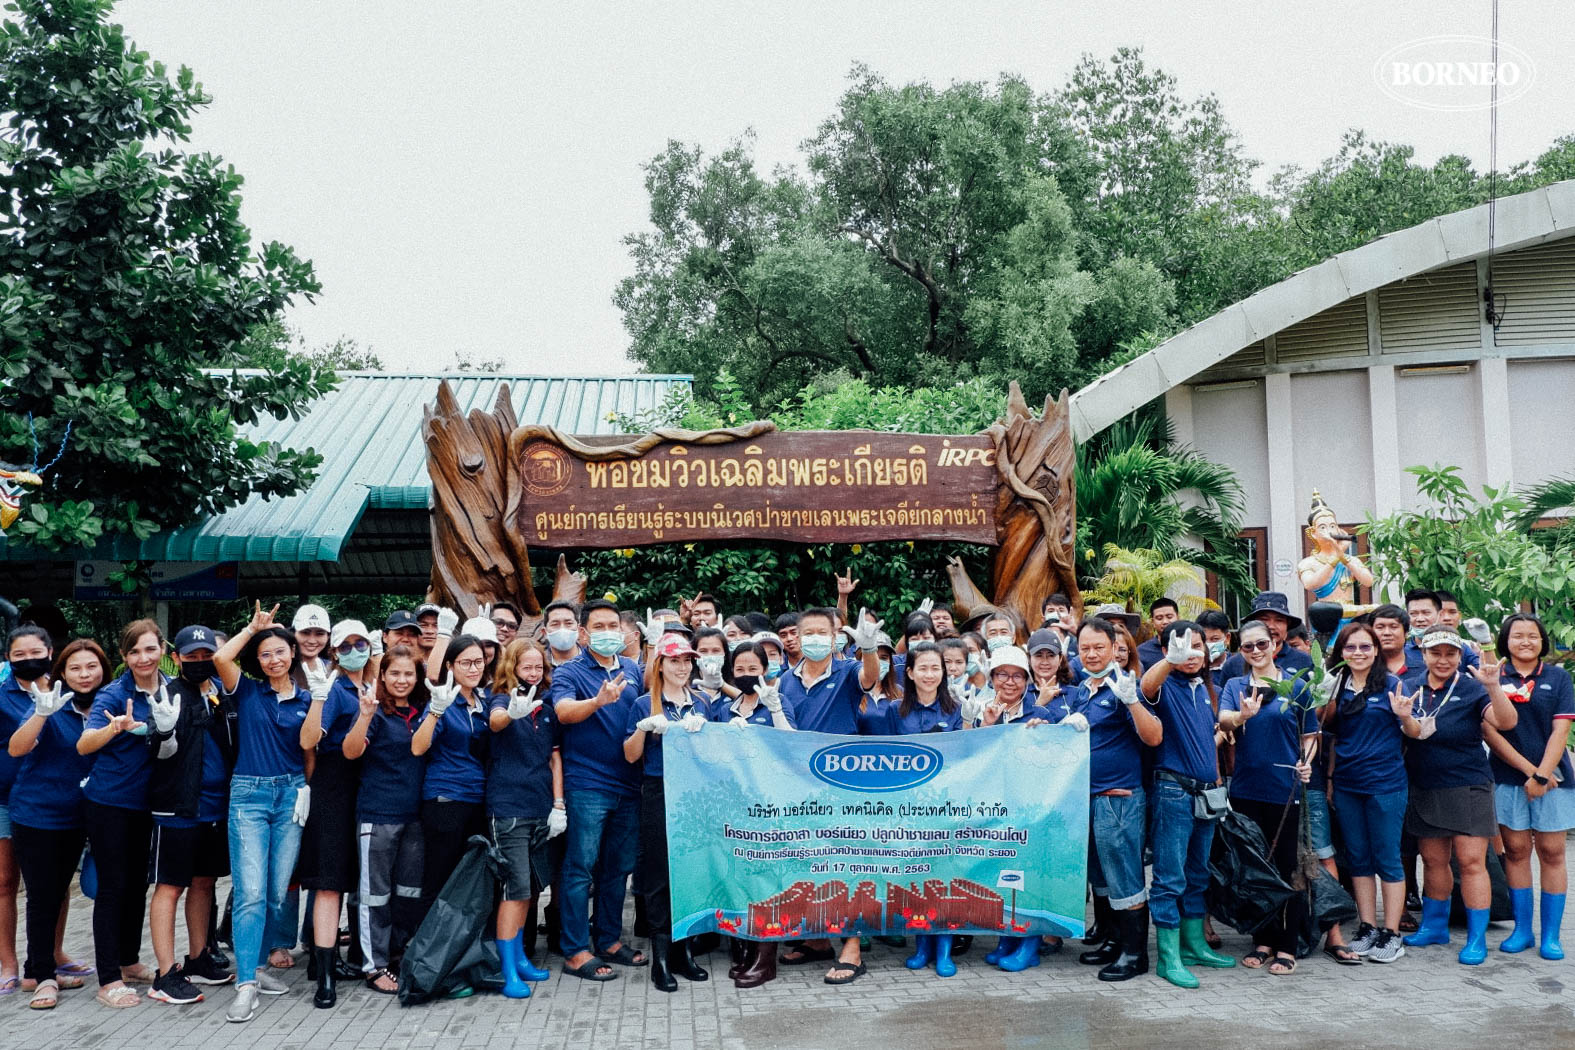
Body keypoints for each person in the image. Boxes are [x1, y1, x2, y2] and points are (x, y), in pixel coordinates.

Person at [213, 603, 311, 1024]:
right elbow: (220, 658)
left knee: (276, 891)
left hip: (290, 794)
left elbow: (310, 754)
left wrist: (306, 791)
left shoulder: (309, 698)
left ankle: (255, 968)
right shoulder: (248, 690)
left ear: (294, 653)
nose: (274, 659)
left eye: (280, 651)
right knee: (250, 892)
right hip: (249, 796)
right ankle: (246, 985)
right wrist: (253, 628)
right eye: (265, 653)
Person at [1400, 623, 1515, 964]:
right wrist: (1405, 717)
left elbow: (1506, 722)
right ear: (1424, 653)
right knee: (1434, 861)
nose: (1443, 659)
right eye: (1435, 653)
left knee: (1470, 862)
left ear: (1459, 655)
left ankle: (1477, 938)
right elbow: (1409, 731)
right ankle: (1435, 926)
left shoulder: (1471, 687)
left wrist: (1494, 686)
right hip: (1424, 783)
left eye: (1450, 653)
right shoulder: (1409, 687)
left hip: (1468, 785)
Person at [777, 606, 880, 984]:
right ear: (798, 638)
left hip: (842, 787)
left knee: (846, 865)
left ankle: (851, 947)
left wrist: (867, 649)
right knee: (810, 862)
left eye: (824, 632)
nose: (816, 639)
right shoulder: (785, 681)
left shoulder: (848, 672)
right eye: (809, 633)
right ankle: (818, 940)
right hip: (801, 787)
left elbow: (871, 677)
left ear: (836, 638)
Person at [551, 599, 645, 981]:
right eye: (600, 626)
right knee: (580, 868)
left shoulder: (633, 668)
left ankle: (608, 939)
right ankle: (575, 950)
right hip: (588, 784)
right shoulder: (569, 672)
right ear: (584, 633)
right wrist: (598, 700)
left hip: (629, 783)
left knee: (617, 868)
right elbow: (563, 712)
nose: (609, 633)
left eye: (614, 626)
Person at [1217, 620, 1318, 975]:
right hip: (1245, 789)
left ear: (1275, 645)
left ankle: (1287, 945)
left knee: (1286, 867)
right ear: (1240, 651)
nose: (1256, 652)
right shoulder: (1235, 685)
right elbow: (1224, 719)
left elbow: (1310, 735)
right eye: (1248, 647)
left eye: (1262, 644)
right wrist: (1241, 715)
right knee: (1255, 867)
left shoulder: (1296, 686)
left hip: (1284, 788)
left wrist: (1306, 765)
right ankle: (1262, 939)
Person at [145, 625, 238, 1005]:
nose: (199, 662)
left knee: (204, 882)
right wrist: (165, 734)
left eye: (205, 655)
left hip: (216, 807)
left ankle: (199, 957)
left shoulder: (220, 692)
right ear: (177, 655)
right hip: (178, 807)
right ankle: (165, 974)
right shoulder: (166, 695)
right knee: (170, 885)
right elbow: (159, 753)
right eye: (191, 656)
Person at [7, 633, 100, 1009]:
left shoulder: (105, 704)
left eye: (91, 666)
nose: (83, 674)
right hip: (37, 814)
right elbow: (16, 747)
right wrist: (42, 714)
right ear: (61, 669)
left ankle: (40, 965)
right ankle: (41, 977)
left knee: (60, 891)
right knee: (42, 896)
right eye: (75, 667)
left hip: (76, 815)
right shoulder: (50, 703)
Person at [1141, 621, 1236, 988]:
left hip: (1206, 793)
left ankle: (1194, 945)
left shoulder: (1205, 688)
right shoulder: (1165, 686)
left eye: (1198, 646)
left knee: (1197, 873)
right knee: (1169, 877)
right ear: (1165, 650)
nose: (1193, 654)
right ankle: (1168, 958)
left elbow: (1204, 742)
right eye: (1183, 648)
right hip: (1172, 792)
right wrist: (1169, 662)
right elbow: (1146, 686)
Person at [1068, 619, 1162, 982]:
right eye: (1084, 648)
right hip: (1086, 799)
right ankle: (1112, 941)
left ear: (1113, 647)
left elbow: (1153, 737)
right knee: (1101, 877)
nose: (1091, 654)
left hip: (1117, 799)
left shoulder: (1125, 686)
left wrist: (1132, 700)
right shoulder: (1081, 691)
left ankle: (1135, 955)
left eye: (1098, 647)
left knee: (1124, 876)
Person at [77, 619, 163, 1008]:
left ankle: (128, 960)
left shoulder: (170, 690)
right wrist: (115, 729)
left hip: (150, 802)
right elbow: (84, 744)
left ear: (161, 649)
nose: (142, 658)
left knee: (136, 885)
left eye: (149, 649)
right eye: (134, 652)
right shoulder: (114, 695)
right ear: (124, 657)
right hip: (110, 802)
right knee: (112, 887)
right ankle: (108, 977)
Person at [624, 635, 713, 992]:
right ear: (660, 663)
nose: (682, 667)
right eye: (674, 661)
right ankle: (660, 956)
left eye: (687, 660)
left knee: (689, 872)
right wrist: (643, 731)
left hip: (695, 792)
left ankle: (683, 951)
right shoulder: (644, 703)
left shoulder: (703, 702)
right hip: (659, 789)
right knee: (660, 873)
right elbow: (630, 756)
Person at [1483, 613, 1575, 959]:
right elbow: (1490, 733)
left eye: (1533, 636)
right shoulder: (1494, 676)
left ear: (1542, 641)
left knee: (1552, 852)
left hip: (1555, 781)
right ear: (1505, 640)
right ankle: (1522, 930)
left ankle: (1551, 936)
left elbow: (1560, 730)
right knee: (1516, 852)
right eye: (1518, 635)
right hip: (1508, 779)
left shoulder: (1557, 677)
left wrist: (1543, 774)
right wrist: (1530, 773)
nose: (1525, 641)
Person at [1321, 621, 1412, 964]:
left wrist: (1405, 717)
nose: (1358, 653)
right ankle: (1367, 927)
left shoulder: (1391, 684)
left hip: (1385, 783)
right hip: (1347, 783)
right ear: (1340, 652)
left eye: (1364, 647)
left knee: (1387, 856)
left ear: (1376, 651)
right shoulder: (1335, 686)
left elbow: (1414, 730)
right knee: (1357, 857)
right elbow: (1328, 733)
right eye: (1350, 648)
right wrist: (1330, 780)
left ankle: (1391, 934)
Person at [342, 645, 427, 994]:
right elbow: (350, 751)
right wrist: (363, 715)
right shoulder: (374, 711)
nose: (402, 680)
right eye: (394, 673)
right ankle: (372, 965)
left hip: (415, 816)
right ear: (382, 676)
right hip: (378, 815)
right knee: (374, 895)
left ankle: (398, 954)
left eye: (409, 674)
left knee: (408, 893)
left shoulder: (423, 711)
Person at [298, 620, 374, 1008]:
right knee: (328, 884)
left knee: (350, 879)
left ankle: (332, 959)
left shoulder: (374, 685)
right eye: (345, 645)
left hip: (368, 790)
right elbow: (309, 740)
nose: (354, 649)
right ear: (334, 652)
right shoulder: (334, 689)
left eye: (360, 642)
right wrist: (318, 698)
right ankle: (324, 976)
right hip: (333, 788)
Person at [486, 637, 564, 998]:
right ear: (512, 667)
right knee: (513, 890)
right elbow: (496, 721)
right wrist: (512, 712)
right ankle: (507, 970)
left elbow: (554, 757)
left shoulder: (546, 705)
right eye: (526, 666)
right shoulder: (502, 697)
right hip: (509, 809)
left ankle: (519, 959)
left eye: (538, 667)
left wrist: (559, 803)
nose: (533, 672)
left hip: (540, 807)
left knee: (530, 890)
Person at [411, 634, 490, 923]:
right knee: (440, 878)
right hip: (446, 798)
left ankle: (459, 953)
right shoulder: (443, 700)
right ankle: (429, 957)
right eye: (465, 663)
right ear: (450, 666)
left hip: (478, 799)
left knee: (469, 882)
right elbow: (418, 747)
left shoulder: (485, 701)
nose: (473, 669)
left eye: (478, 662)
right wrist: (435, 711)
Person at [1218, 592, 1312, 680]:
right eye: (1264, 619)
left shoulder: (1305, 661)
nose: (1271, 626)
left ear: (1287, 625)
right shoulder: (1233, 664)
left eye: (1279, 620)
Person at [1403, 589, 1478, 669]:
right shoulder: (1400, 650)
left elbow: (1487, 674)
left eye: (1426, 613)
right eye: (1413, 614)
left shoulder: (1460, 647)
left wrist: (1487, 644)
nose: (1420, 619)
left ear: (1438, 614)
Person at [1025, 629, 1080, 722]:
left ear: (1060, 659)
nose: (1045, 662)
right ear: (1030, 659)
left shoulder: (1076, 694)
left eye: (1051, 655)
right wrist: (1039, 705)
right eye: (1038, 655)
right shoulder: (1021, 695)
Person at [1135, 599, 1179, 669]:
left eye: (1169, 617)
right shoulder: (1141, 652)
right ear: (1153, 622)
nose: (1165, 621)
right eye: (1159, 618)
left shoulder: (1190, 645)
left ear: (1178, 617)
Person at [1195, 611, 1233, 690]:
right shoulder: (1192, 669)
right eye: (1204, 640)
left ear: (1227, 638)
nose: (1209, 644)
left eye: (1215, 639)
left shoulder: (1236, 666)